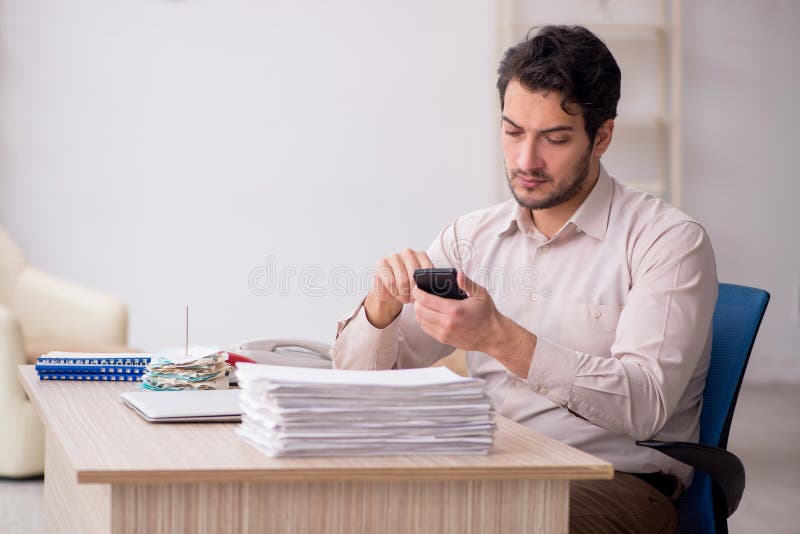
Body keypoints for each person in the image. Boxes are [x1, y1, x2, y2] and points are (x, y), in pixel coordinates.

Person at [330, 25, 717, 533]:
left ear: (601, 136)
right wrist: (379, 312)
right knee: (335, 503)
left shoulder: (666, 241)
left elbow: (643, 403)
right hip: (490, 466)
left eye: (554, 139)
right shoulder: (472, 236)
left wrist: (498, 337)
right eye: (513, 132)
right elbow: (359, 389)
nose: (525, 161)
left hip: (611, 482)